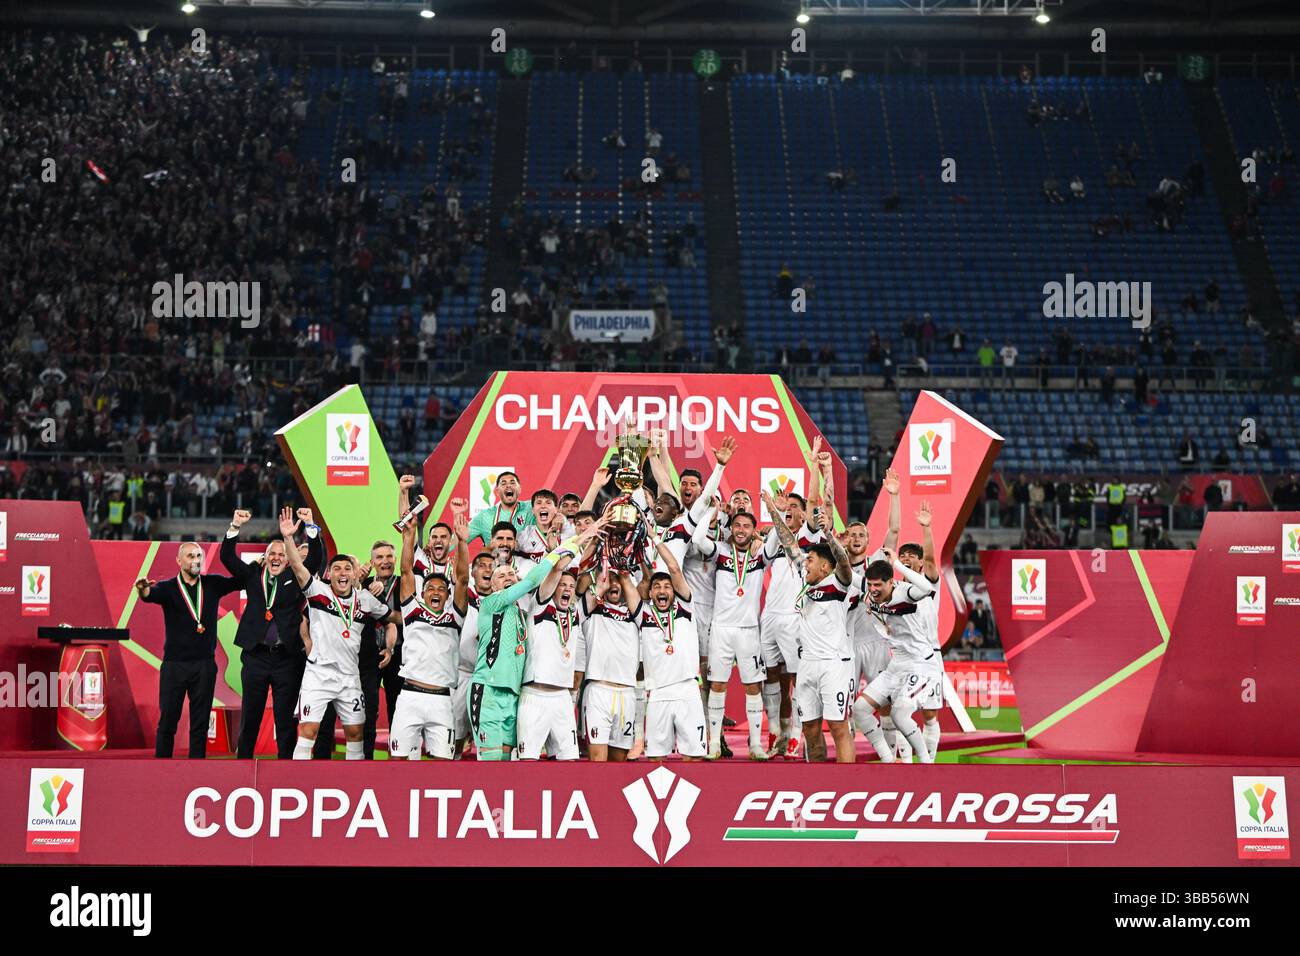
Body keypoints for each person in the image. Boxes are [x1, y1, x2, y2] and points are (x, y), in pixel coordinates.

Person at [467, 518, 609, 760]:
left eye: (512, 574)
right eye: (501, 575)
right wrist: (580, 539)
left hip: (513, 693)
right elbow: (537, 578)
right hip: (488, 688)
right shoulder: (491, 603)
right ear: (490, 585)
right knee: (490, 764)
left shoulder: (524, 614)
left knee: (506, 763)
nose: (508, 577)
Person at [281, 509, 400, 760]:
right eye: (337, 568)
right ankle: (297, 782)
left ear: (354, 573)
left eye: (348, 568)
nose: (343, 572)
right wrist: (289, 538)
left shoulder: (366, 600)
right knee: (309, 731)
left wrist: (419, 615)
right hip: (319, 674)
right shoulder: (318, 592)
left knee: (355, 734)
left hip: (350, 676)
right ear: (330, 574)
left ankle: (353, 784)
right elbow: (296, 565)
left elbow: (391, 617)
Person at [222, 507, 323, 759]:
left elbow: (315, 559)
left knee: (285, 718)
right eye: (272, 554)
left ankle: (284, 769)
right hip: (255, 656)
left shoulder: (294, 577)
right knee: (250, 716)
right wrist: (235, 526)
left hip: (287, 658)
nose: (277, 558)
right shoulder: (252, 574)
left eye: (281, 554)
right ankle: (243, 764)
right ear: (265, 557)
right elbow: (227, 558)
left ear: (288, 559)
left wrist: (310, 525)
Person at [690, 496, 785, 760]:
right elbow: (698, 540)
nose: (741, 530)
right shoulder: (720, 551)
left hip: (748, 631)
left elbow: (777, 536)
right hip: (720, 629)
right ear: (731, 528)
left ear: (753, 530)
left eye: (746, 526)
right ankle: (714, 745)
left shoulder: (760, 556)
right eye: (737, 525)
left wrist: (779, 509)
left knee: (753, 687)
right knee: (717, 685)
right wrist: (711, 512)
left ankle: (755, 745)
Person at [765, 497, 857, 763]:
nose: (805, 563)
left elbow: (843, 562)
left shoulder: (838, 584)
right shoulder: (805, 583)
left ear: (826, 566)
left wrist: (828, 533)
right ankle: (820, 784)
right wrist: (773, 510)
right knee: (810, 729)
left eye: (812, 560)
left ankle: (845, 785)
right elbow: (788, 543)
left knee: (838, 727)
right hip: (807, 665)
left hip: (833, 665)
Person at [136, 542, 243, 758]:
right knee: (168, 721)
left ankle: (196, 771)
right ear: (179, 561)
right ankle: (161, 768)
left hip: (204, 665)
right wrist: (142, 589)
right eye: (190, 556)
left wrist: (255, 565)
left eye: (198, 555)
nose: (195, 560)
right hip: (174, 666)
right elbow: (150, 595)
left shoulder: (212, 583)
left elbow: (239, 581)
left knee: (200, 722)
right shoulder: (167, 587)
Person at [388, 496, 471, 760]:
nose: (436, 592)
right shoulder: (412, 609)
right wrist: (410, 535)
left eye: (441, 589)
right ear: (422, 593)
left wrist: (462, 542)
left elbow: (463, 579)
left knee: (442, 767)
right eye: (430, 589)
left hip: (441, 700)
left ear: (447, 596)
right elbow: (405, 570)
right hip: (410, 696)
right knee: (398, 764)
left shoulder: (455, 616)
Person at [628, 536, 706, 761]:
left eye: (667, 587)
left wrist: (653, 537)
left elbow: (673, 568)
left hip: (688, 691)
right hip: (658, 693)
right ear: (650, 593)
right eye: (657, 587)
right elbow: (627, 584)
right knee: (655, 758)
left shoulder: (686, 607)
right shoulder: (643, 614)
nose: (662, 591)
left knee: (694, 757)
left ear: (674, 591)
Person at [860, 549, 940, 763]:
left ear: (890, 583)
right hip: (897, 664)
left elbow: (927, 587)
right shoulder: (869, 598)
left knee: (899, 715)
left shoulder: (904, 592)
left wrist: (897, 564)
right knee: (860, 710)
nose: (873, 590)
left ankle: (925, 763)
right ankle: (888, 760)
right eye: (870, 585)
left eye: (878, 585)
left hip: (921, 665)